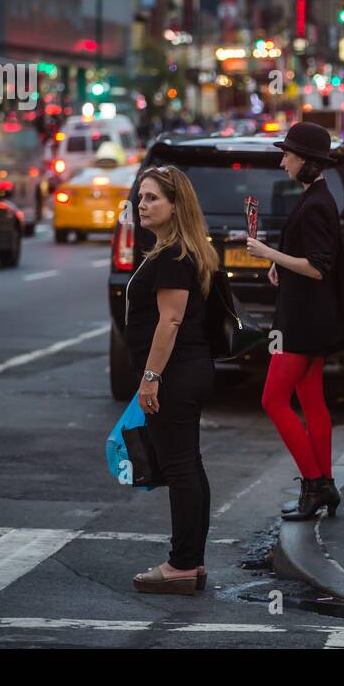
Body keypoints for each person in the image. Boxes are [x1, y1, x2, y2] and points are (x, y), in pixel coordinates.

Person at [246, 122, 344, 521]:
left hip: (303, 320)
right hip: (309, 314)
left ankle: (315, 485)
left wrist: (270, 255)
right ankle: (325, 484)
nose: (282, 160)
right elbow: (308, 260)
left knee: (272, 399)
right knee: (311, 400)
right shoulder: (316, 196)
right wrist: (282, 269)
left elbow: (319, 267)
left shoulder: (318, 202)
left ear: (306, 161)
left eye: (288, 154)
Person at [126, 165, 216, 594]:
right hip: (189, 371)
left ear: (176, 205)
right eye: (140, 198)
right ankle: (192, 561)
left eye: (152, 198)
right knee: (188, 466)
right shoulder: (181, 250)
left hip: (177, 374)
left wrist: (150, 377)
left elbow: (171, 321)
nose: (141, 205)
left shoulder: (172, 255)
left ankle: (181, 564)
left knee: (180, 468)